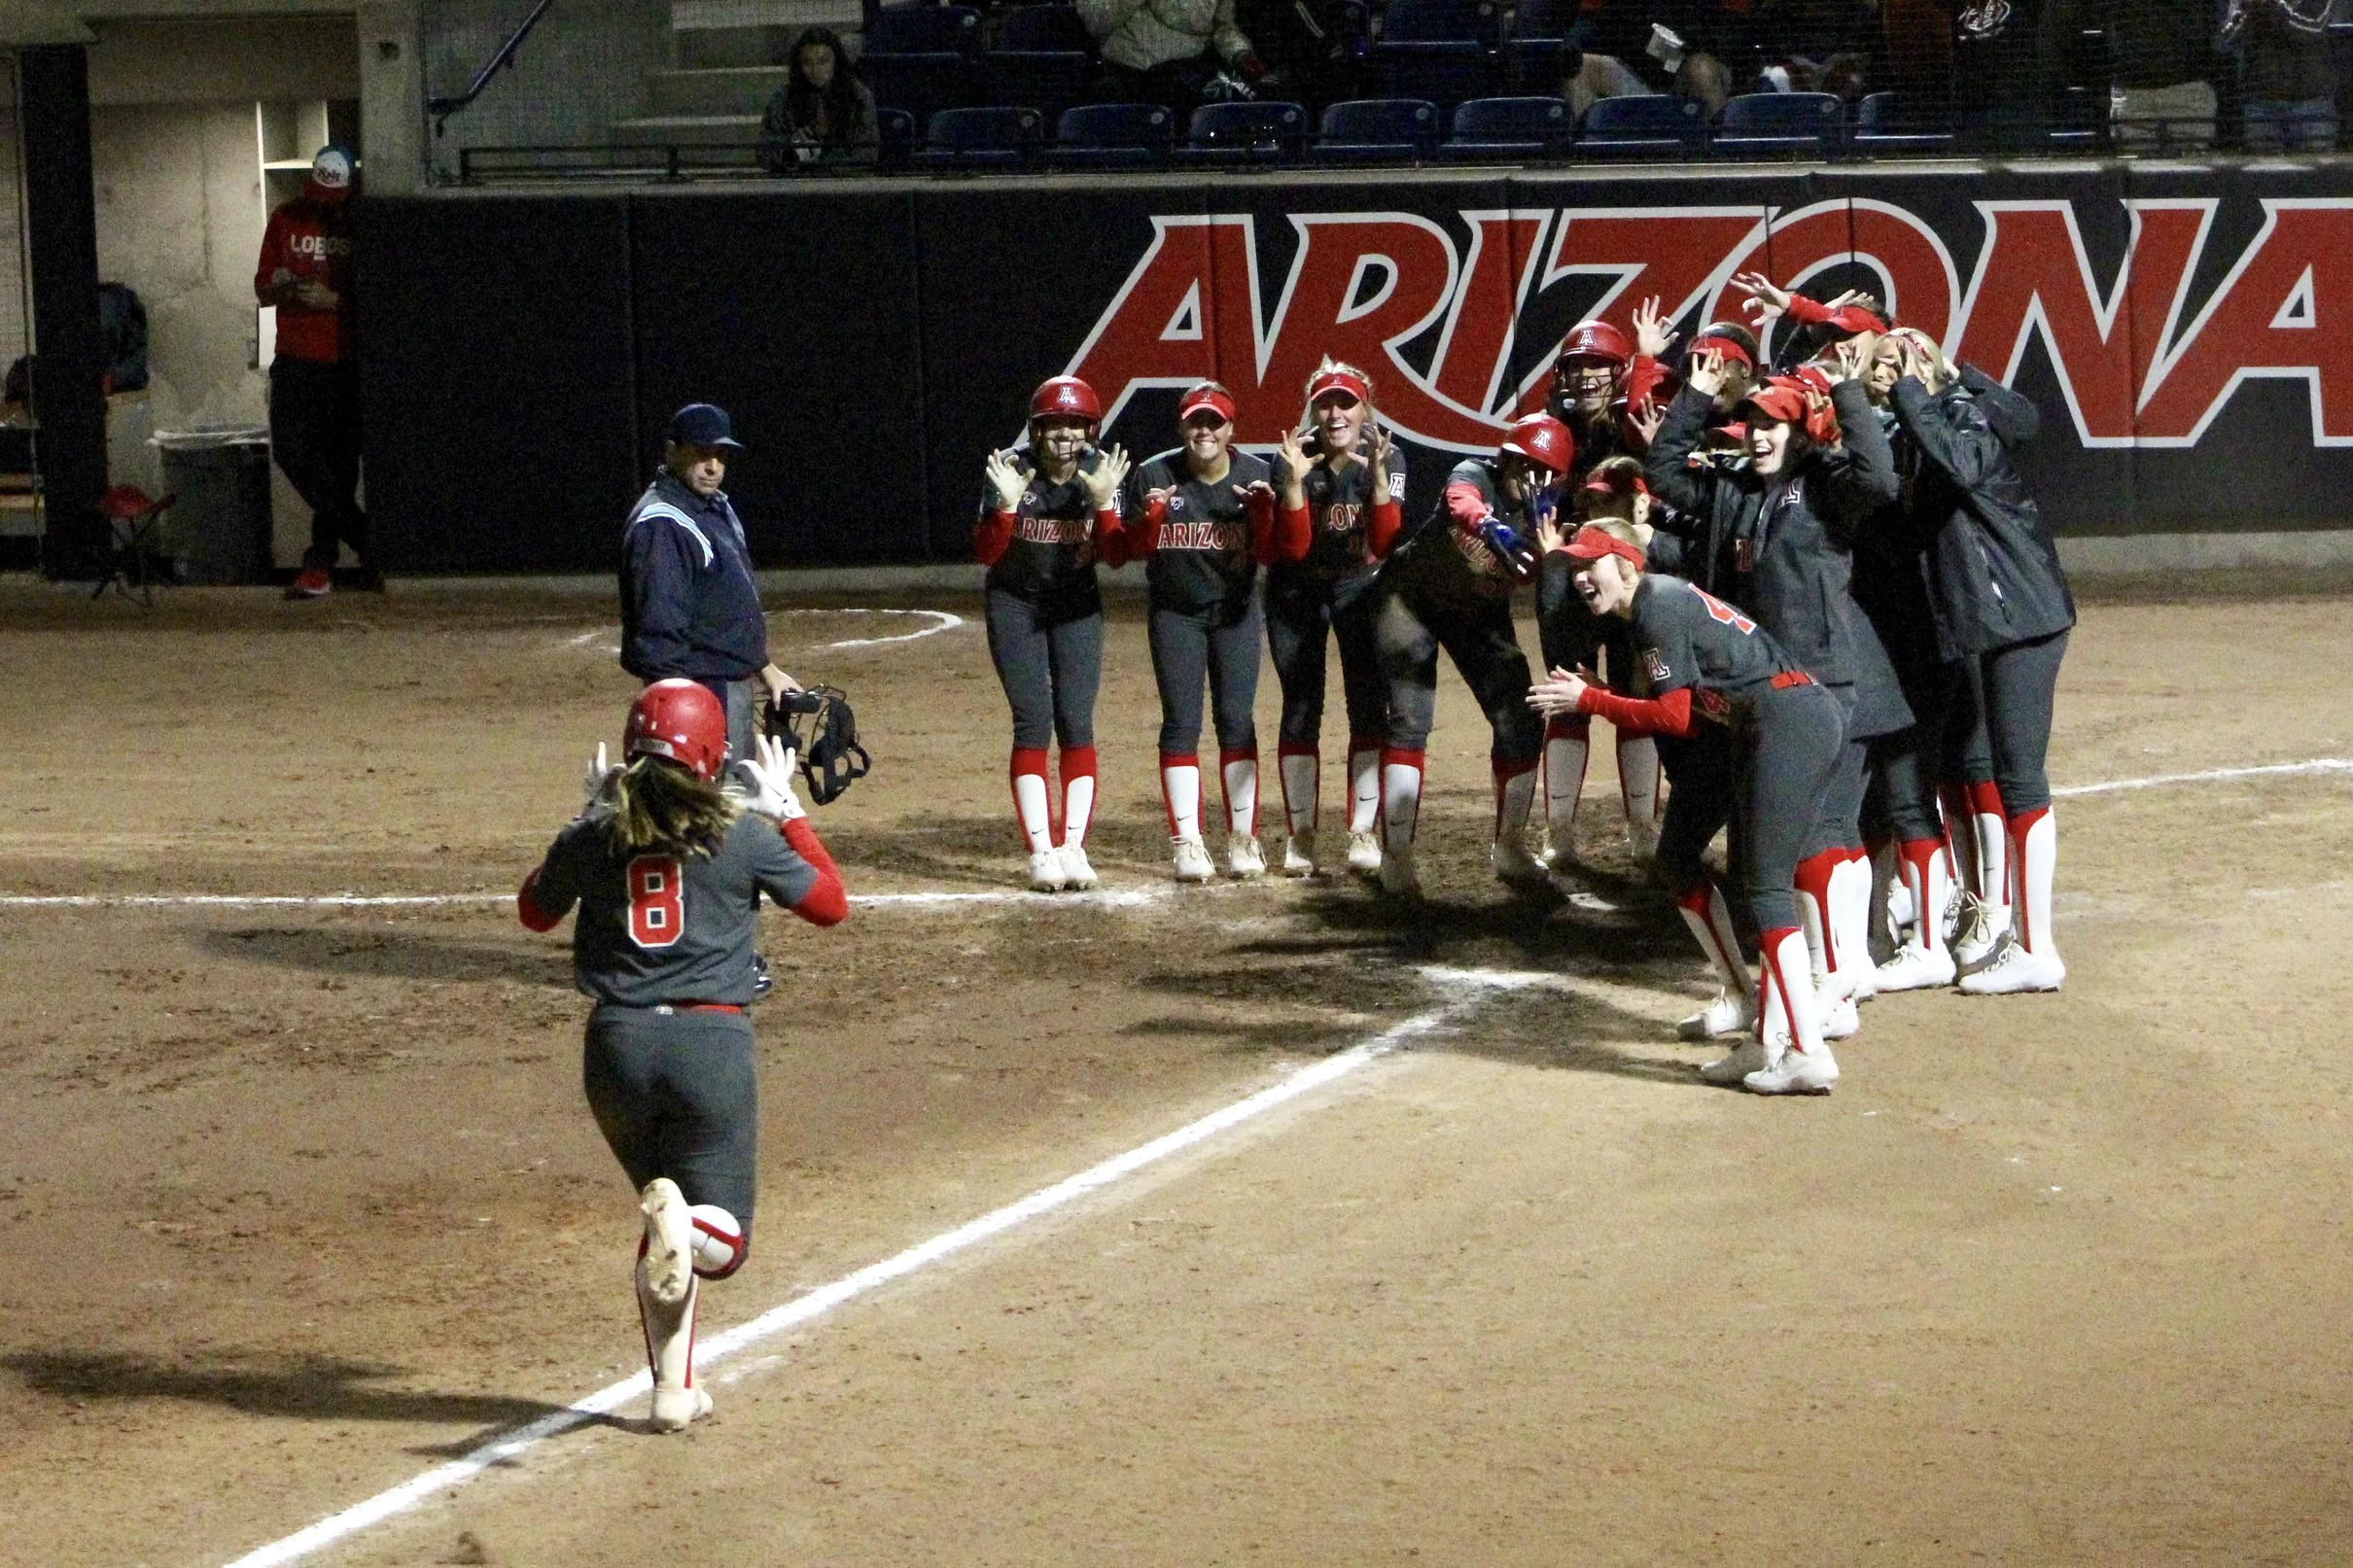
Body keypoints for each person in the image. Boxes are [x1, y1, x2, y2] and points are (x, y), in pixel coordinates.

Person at [516, 679, 848, 1432]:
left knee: (665, 1210)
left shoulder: (595, 836)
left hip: (617, 1051)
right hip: (708, 1048)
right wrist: (788, 811)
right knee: (715, 1240)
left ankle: (673, 1387)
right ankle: (688, 1239)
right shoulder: (743, 833)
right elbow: (831, 904)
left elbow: (534, 911)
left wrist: (582, 818)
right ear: (711, 753)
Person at [1530, 518, 1846, 1095]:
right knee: (1677, 862)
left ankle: (1807, 1048)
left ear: (1627, 563)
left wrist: (1591, 699)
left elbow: (1674, 716)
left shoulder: (1657, 602)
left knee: (1766, 887)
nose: (1580, 577)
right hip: (1752, 731)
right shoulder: (1642, 613)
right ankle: (1760, 1026)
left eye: (1591, 564)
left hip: (1787, 722)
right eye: (1576, 567)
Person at [1645, 333, 1905, 1032]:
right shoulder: (1737, 493)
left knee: (1812, 834)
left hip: (1820, 685)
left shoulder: (1823, 487)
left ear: (1801, 430)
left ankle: (1837, 981)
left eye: (1773, 424)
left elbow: (1879, 479)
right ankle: (1827, 981)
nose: (1760, 436)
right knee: (1797, 837)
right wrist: (1694, 398)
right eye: (1755, 424)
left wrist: (1849, 394)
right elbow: (1665, 474)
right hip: (1763, 691)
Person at [1887, 333, 2076, 993]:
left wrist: (1933, 380)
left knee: (2021, 778)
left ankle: (2035, 947)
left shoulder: (1964, 416)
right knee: (2000, 770)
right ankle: (2014, 928)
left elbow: (1983, 445)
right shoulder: (1932, 423)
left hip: (2023, 619)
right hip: (2002, 622)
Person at [1370, 413, 1571, 898]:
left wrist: (1554, 556)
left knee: (1522, 718)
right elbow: (1461, 501)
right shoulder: (1474, 473)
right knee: (1410, 721)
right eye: (1523, 466)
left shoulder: (1551, 522)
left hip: (1477, 614)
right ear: (1505, 461)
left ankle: (1510, 846)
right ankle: (1395, 856)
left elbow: (1555, 574)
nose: (1530, 479)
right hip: (1410, 598)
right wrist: (1490, 526)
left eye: (1542, 471)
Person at [1127, 382, 1287, 882]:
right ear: (1182, 426)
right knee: (1181, 723)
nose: (1205, 431)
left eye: (1214, 422)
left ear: (1231, 429)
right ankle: (1188, 842)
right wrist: (1151, 518)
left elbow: (1273, 553)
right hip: (1175, 613)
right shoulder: (1154, 473)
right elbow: (1131, 551)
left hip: (1236, 613)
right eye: (1196, 421)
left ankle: (1243, 838)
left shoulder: (1258, 475)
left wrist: (1264, 514)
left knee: (1237, 721)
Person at [975, 375, 1130, 892]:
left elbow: (1114, 557)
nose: (1065, 434)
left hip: (1076, 605)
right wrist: (1003, 509)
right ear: (1037, 429)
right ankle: (1042, 851)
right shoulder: (1011, 468)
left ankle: (1073, 846)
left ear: (1090, 428)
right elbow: (985, 554)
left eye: (1075, 423)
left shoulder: (1101, 469)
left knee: (1076, 721)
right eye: (1054, 424)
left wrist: (1107, 506)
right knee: (1033, 721)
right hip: (1015, 603)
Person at [1264, 362, 1404, 878]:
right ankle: (1301, 834)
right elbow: (1295, 547)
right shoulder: (1293, 457)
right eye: (1324, 403)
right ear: (1312, 409)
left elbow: (1385, 543)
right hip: (1296, 588)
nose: (1335, 413)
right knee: (1302, 706)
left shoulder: (1386, 455)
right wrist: (1296, 486)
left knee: (1369, 704)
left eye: (1346, 402)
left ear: (1364, 407)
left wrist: (1382, 481)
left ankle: (1362, 829)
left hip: (1359, 586)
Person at [1540, 320, 1663, 869]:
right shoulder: (1551, 426)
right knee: (1569, 694)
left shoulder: (1634, 417)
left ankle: (1642, 824)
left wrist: (1642, 360)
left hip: (1630, 575)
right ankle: (1560, 830)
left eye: (1598, 365)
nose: (1586, 376)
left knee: (1639, 693)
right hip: (1573, 577)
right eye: (1577, 365)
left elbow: (1642, 434)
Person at [619, 403, 802, 766]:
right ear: (673, 452)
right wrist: (678, 724)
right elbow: (659, 639)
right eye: (701, 454)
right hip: (699, 697)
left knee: (734, 800)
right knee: (712, 807)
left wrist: (767, 670)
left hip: (727, 688)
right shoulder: (662, 524)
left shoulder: (714, 507)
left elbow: (724, 606)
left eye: (720, 455)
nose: (713, 466)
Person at [255, 145, 366, 600]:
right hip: (296, 358)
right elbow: (263, 289)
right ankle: (369, 542)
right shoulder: (285, 218)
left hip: (344, 362)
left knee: (338, 468)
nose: (322, 204)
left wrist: (336, 301)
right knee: (292, 453)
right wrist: (285, 288)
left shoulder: (361, 224)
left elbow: (384, 296)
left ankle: (320, 564)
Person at [1078, 0, 1266, 115]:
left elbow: (1224, 28)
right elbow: (1095, 22)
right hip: (1123, 76)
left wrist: (1239, 53)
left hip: (1188, 76)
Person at [757, 28, 881, 172]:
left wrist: (824, 164)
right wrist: (789, 148)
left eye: (823, 62)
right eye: (807, 63)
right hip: (796, 185)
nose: (815, 70)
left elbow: (868, 154)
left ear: (836, 62)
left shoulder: (858, 96)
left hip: (844, 184)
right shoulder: (782, 99)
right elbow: (763, 154)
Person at [2225, 0, 2338, 153]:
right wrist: (2252, 13)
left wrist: (2278, 10)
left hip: (2312, 103)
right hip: (2262, 104)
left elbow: (2318, 29)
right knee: (2262, 173)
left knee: (2318, 172)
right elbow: (2228, 39)